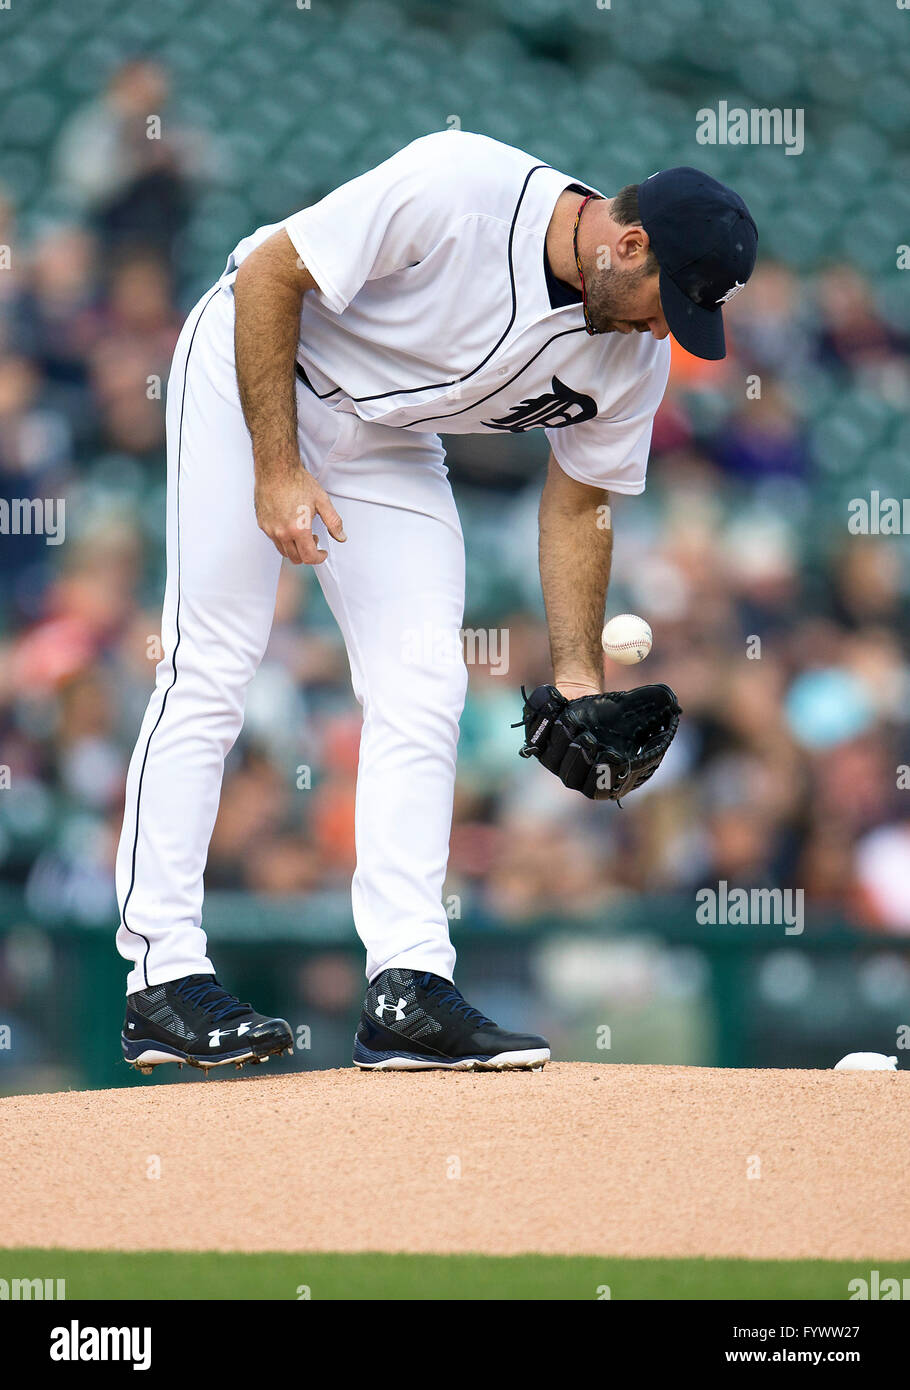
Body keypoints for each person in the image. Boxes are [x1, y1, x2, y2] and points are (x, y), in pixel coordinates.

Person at [116, 131, 756, 1075]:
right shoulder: (460, 184)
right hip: (260, 368)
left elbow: (581, 502)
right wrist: (278, 466)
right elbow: (270, 276)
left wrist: (578, 681)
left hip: (390, 436)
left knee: (424, 683)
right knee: (212, 661)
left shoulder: (630, 354)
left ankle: (406, 984)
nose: (671, 332)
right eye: (676, 302)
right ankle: (161, 977)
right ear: (628, 245)